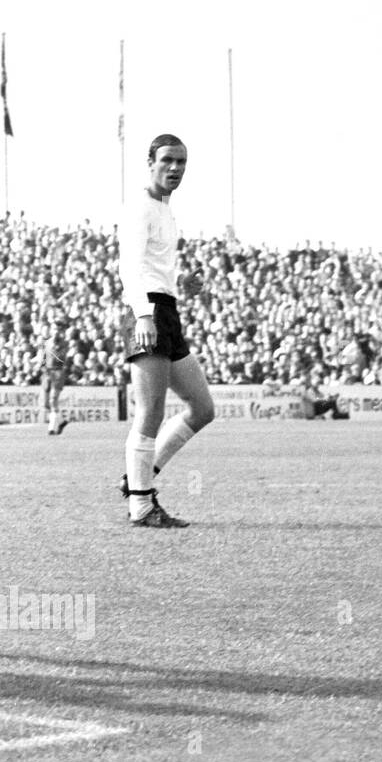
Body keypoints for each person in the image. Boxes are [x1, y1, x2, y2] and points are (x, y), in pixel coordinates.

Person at [117, 134, 215, 527]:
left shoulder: (165, 210)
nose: (175, 168)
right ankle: (141, 505)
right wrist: (143, 315)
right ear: (150, 162)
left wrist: (183, 281)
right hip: (148, 310)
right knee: (151, 410)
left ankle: (138, 478)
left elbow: (158, 266)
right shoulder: (139, 207)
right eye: (168, 160)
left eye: (182, 162)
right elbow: (130, 266)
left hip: (166, 308)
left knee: (203, 408)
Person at [41, 318, 70, 435]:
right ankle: (62, 421)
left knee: (53, 399)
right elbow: (43, 359)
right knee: (46, 403)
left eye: (58, 330)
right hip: (47, 373)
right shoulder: (46, 343)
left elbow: (62, 358)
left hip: (58, 372)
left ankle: (51, 428)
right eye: (54, 329)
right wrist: (42, 368)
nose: (56, 332)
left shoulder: (64, 343)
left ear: (61, 331)